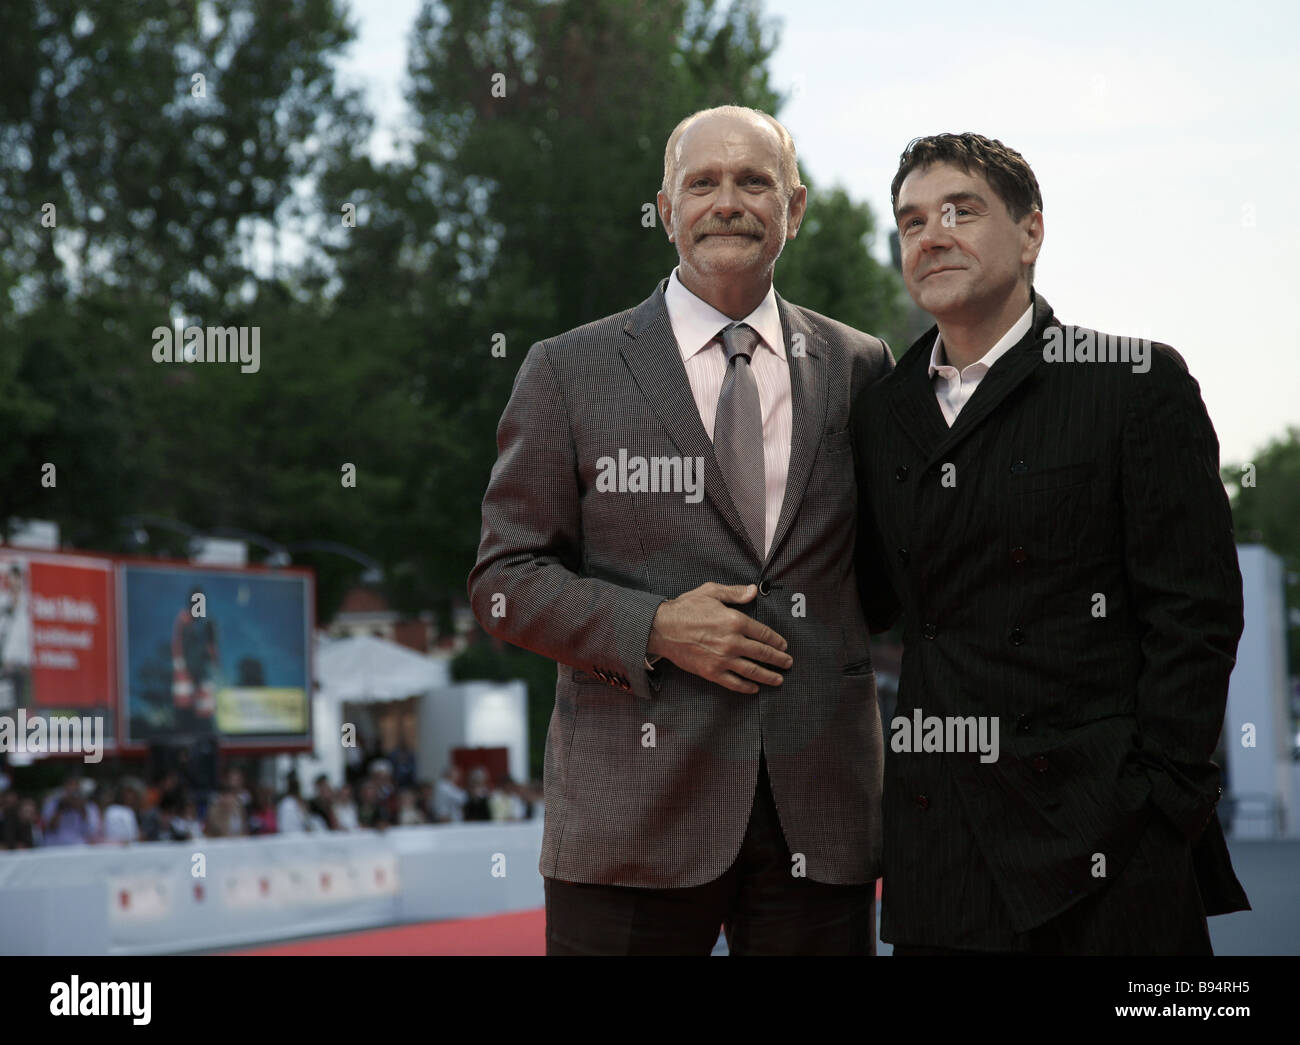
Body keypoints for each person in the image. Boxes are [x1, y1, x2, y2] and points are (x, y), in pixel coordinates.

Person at [469, 105, 897, 955]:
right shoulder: (566, 371)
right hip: (631, 820)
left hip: (820, 811)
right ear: (666, 211)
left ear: (795, 209)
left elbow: (891, 576)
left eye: (753, 182)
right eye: (702, 183)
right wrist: (654, 627)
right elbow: (504, 583)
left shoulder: (863, 366)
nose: (727, 202)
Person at [853, 132, 1249, 955]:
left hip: (1107, 843)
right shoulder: (879, 413)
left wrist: (1161, 800)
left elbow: (1198, 616)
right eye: (912, 220)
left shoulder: (1133, 382)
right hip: (941, 851)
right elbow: (871, 598)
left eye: (963, 210)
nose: (933, 234)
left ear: (1031, 232)